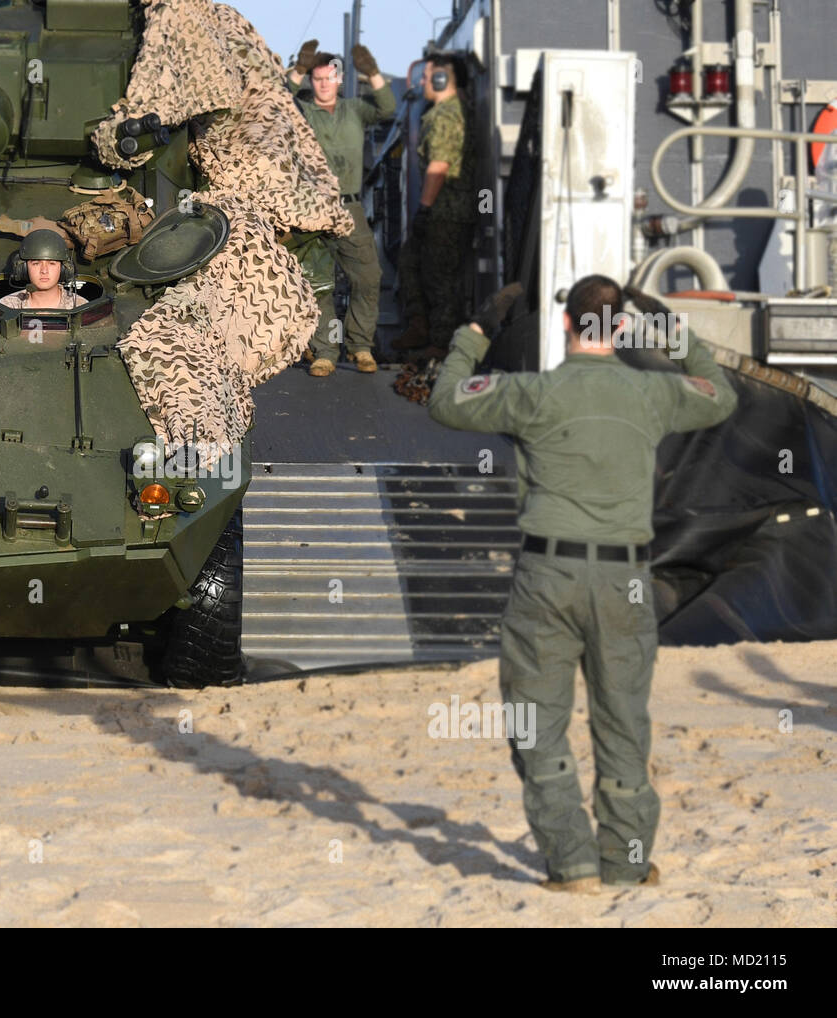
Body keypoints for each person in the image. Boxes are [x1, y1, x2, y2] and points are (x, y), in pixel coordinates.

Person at [428, 276, 738, 892]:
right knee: (623, 719)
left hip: (548, 572)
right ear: (620, 329)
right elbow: (720, 395)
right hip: (626, 577)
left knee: (534, 721)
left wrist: (478, 328)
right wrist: (673, 332)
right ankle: (625, 862)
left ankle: (570, 861)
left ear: (566, 325)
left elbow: (445, 398)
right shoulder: (653, 394)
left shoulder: (531, 393)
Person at [288, 41, 396, 377]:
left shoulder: (354, 109)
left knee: (367, 277)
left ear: (339, 79)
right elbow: (275, 102)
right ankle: (325, 351)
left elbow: (388, 107)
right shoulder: (302, 110)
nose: (322, 84)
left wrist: (374, 71)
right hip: (313, 209)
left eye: (328, 77)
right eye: (316, 78)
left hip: (349, 209)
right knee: (320, 284)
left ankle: (360, 346)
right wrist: (299, 70)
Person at [396, 54, 475, 361]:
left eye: (427, 76)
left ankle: (441, 346)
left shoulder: (445, 115)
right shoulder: (445, 112)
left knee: (440, 278)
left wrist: (424, 209)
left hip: (446, 212)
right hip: (446, 211)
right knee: (412, 262)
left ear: (442, 79)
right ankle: (421, 327)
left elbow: (438, 166)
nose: (421, 82)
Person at [0, 228, 88, 311]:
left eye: (52, 263)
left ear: (64, 269)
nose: (44, 271)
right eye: (36, 263)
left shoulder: (81, 308)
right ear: (23, 269)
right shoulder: (7, 307)